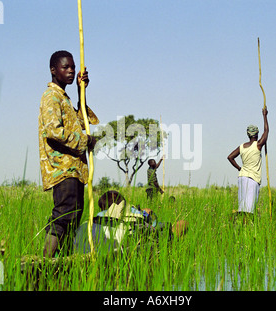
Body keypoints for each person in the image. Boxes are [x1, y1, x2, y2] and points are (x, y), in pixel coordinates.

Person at [38, 50, 99, 258]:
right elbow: (53, 130)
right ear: (54, 71)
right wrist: (85, 141)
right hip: (62, 168)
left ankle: (63, 263)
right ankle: (45, 262)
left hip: (75, 169)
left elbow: (83, 121)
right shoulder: (51, 96)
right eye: (66, 67)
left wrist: (82, 92)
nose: (71, 71)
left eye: (73, 67)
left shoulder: (64, 98)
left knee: (74, 217)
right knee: (63, 215)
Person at [71, 190, 188, 255]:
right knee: (183, 223)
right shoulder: (132, 213)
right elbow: (153, 226)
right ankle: (174, 248)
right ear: (122, 204)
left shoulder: (89, 222)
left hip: (89, 250)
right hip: (125, 247)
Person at [227, 108, 269, 216]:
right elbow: (266, 132)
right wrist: (265, 116)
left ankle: (240, 225)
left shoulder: (242, 147)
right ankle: (244, 226)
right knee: (249, 210)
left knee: (243, 207)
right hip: (252, 179)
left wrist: (239, 168)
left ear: (248, 134)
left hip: (242, 177)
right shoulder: (258, 145)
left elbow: (230, 157)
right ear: (257, 134)